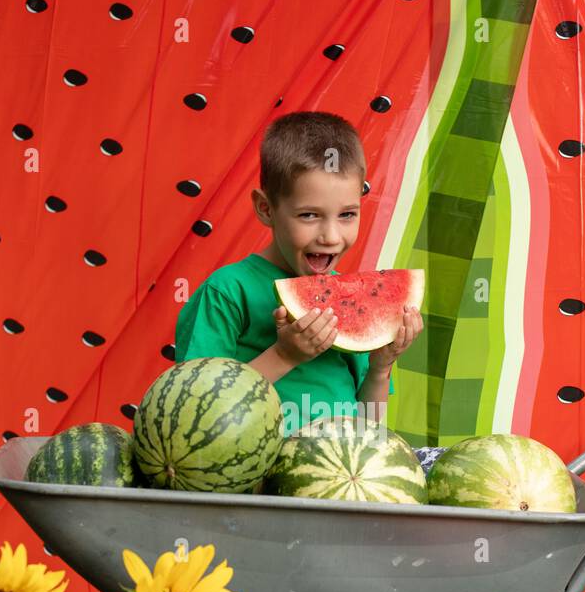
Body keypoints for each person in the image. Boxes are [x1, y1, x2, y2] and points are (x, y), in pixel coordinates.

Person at [174, 110, 423, 434]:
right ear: (266, 209)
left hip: (338, 473)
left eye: (347, 214)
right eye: (309, 215)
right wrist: (284, 355)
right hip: (252, 477)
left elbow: (369, 431)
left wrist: (380, 368)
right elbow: (189, 412)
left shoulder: (345, 301)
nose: (331, 236)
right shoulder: (226, 292)